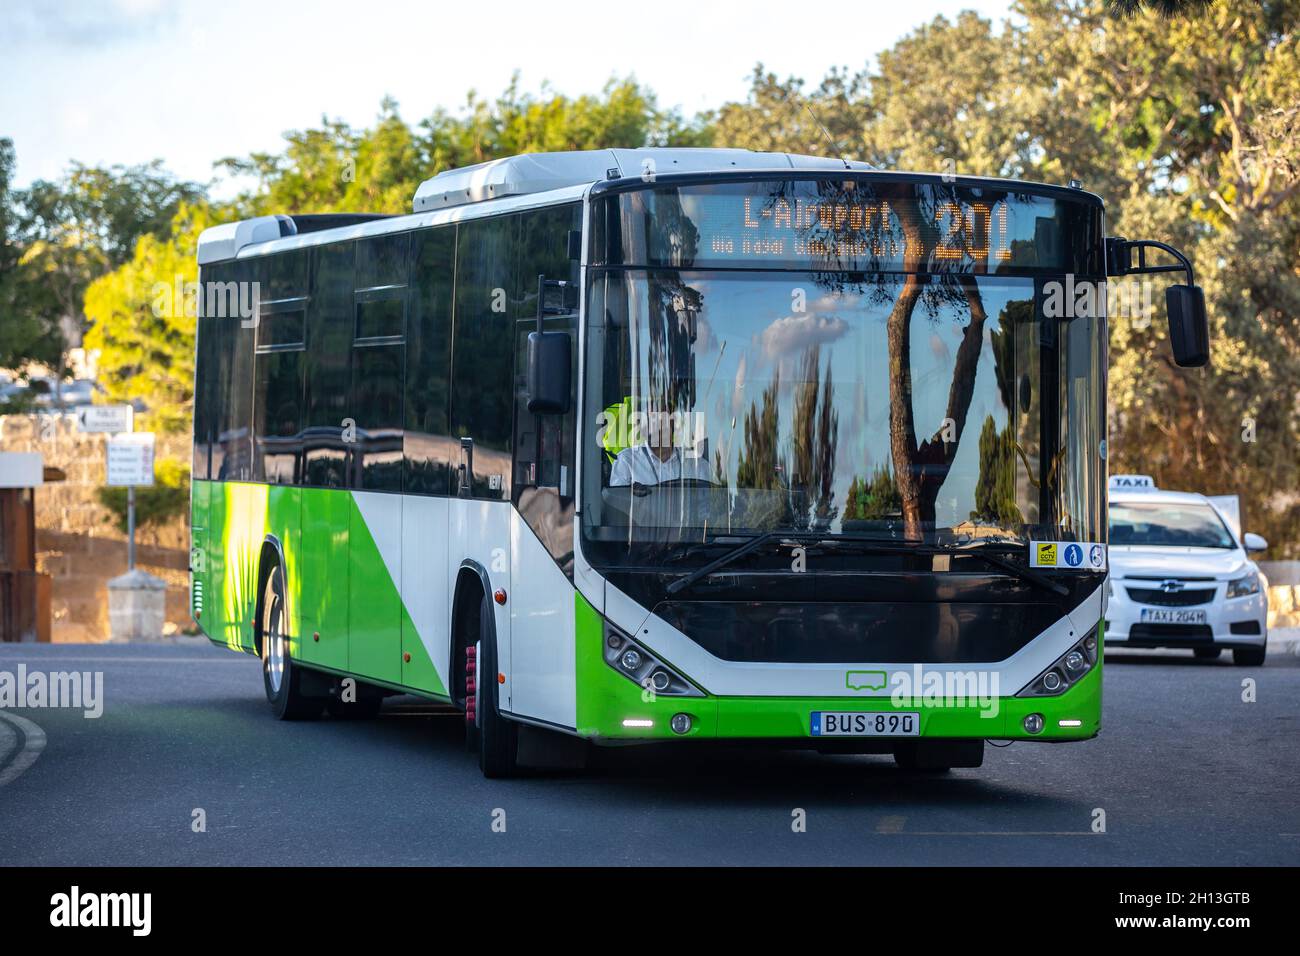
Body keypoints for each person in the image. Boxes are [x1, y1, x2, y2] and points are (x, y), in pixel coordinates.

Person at [608, 407, 713, 487]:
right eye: (648, 419)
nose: (653, 425)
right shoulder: (626, 461)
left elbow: (711, 505)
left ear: (673, 423)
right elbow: (618, 506)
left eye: (659, 419)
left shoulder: (696, 464)